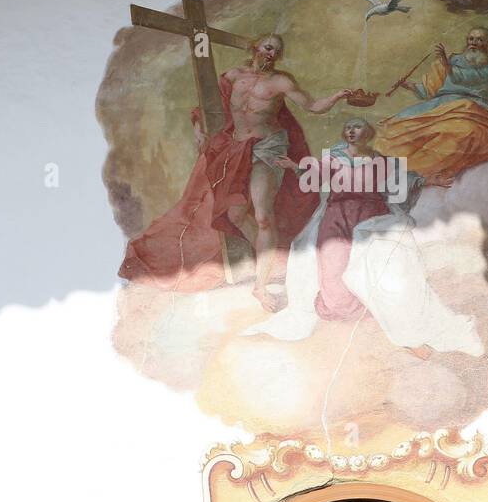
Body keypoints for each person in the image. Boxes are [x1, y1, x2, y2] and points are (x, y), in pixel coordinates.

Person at [118, 34, 351, 311]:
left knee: (263, 216)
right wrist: (198, 128)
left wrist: (337, 96)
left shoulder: (280, 81)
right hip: (238, 147)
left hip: (268, 147)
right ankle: (274, 263)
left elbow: (312, 105)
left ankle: (261, 287)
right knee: (236, 214)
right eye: (267, 48)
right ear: (255, 48)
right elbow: (207, 106)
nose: (271, 54)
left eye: (276, 51)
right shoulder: (233, 76)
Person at [244, 119, 484, 359]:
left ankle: (407, 334)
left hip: (372, 218)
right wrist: (295, 166)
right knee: (333, 284)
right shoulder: (334, 157)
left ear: (367, 133)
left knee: (385, 276)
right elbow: (314, 178)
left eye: (357, 126)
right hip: (336, 219)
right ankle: (375, 317)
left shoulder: (382, 161)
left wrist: (428, 180)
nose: (351, 130)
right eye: (348, 126)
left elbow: (404, 183)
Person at [375, 26, 488, 187]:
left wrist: (447, 65)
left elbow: (471, 78)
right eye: (471, 39)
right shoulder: (454, 60)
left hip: (472, 105)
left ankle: (435, 173)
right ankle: (409, 175)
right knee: (397, 128)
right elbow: (431, 90)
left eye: (479, 40)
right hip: (440, 103)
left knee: (465, 130)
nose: (473, 43)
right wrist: (410, 86)